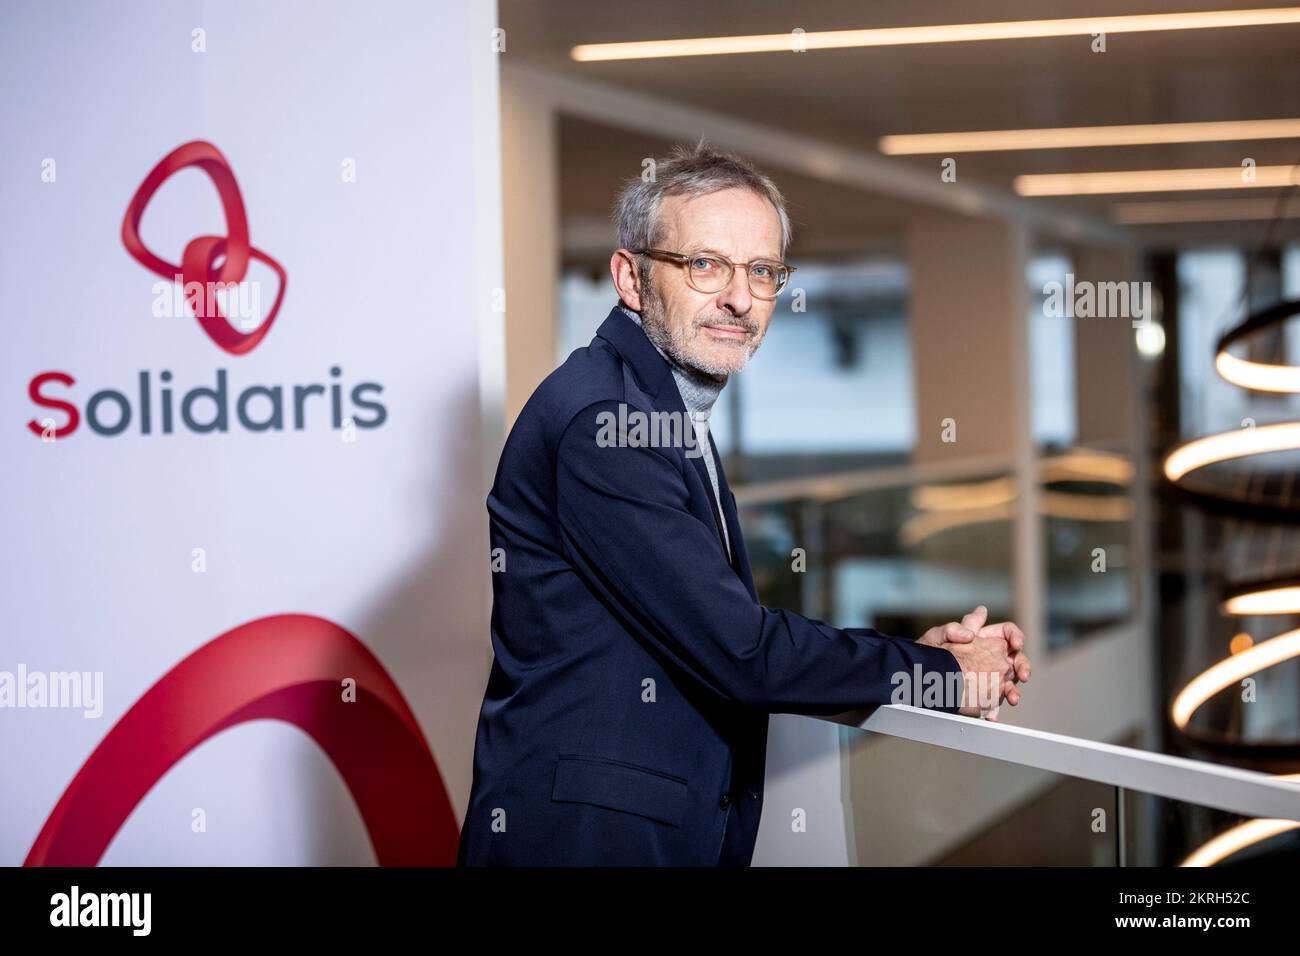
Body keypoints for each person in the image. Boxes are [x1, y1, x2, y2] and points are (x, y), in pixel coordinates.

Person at [457, 142, 1031, 866]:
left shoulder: (657, 404)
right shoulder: (605, 424)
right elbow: (740, 651)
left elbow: (711, 637)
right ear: (630, 278)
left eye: (761, 271)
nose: (739, 297)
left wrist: (914, 658)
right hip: (586, 841)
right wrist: (942, 674)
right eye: (705, 265)